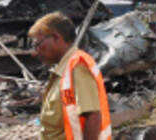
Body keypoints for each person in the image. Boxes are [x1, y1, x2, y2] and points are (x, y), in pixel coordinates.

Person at [29, 12, 111, 140]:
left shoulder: (78, 66)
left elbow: (93, 116)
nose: (35, 52)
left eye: (38, 44)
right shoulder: (64, 70)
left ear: (56, 37)